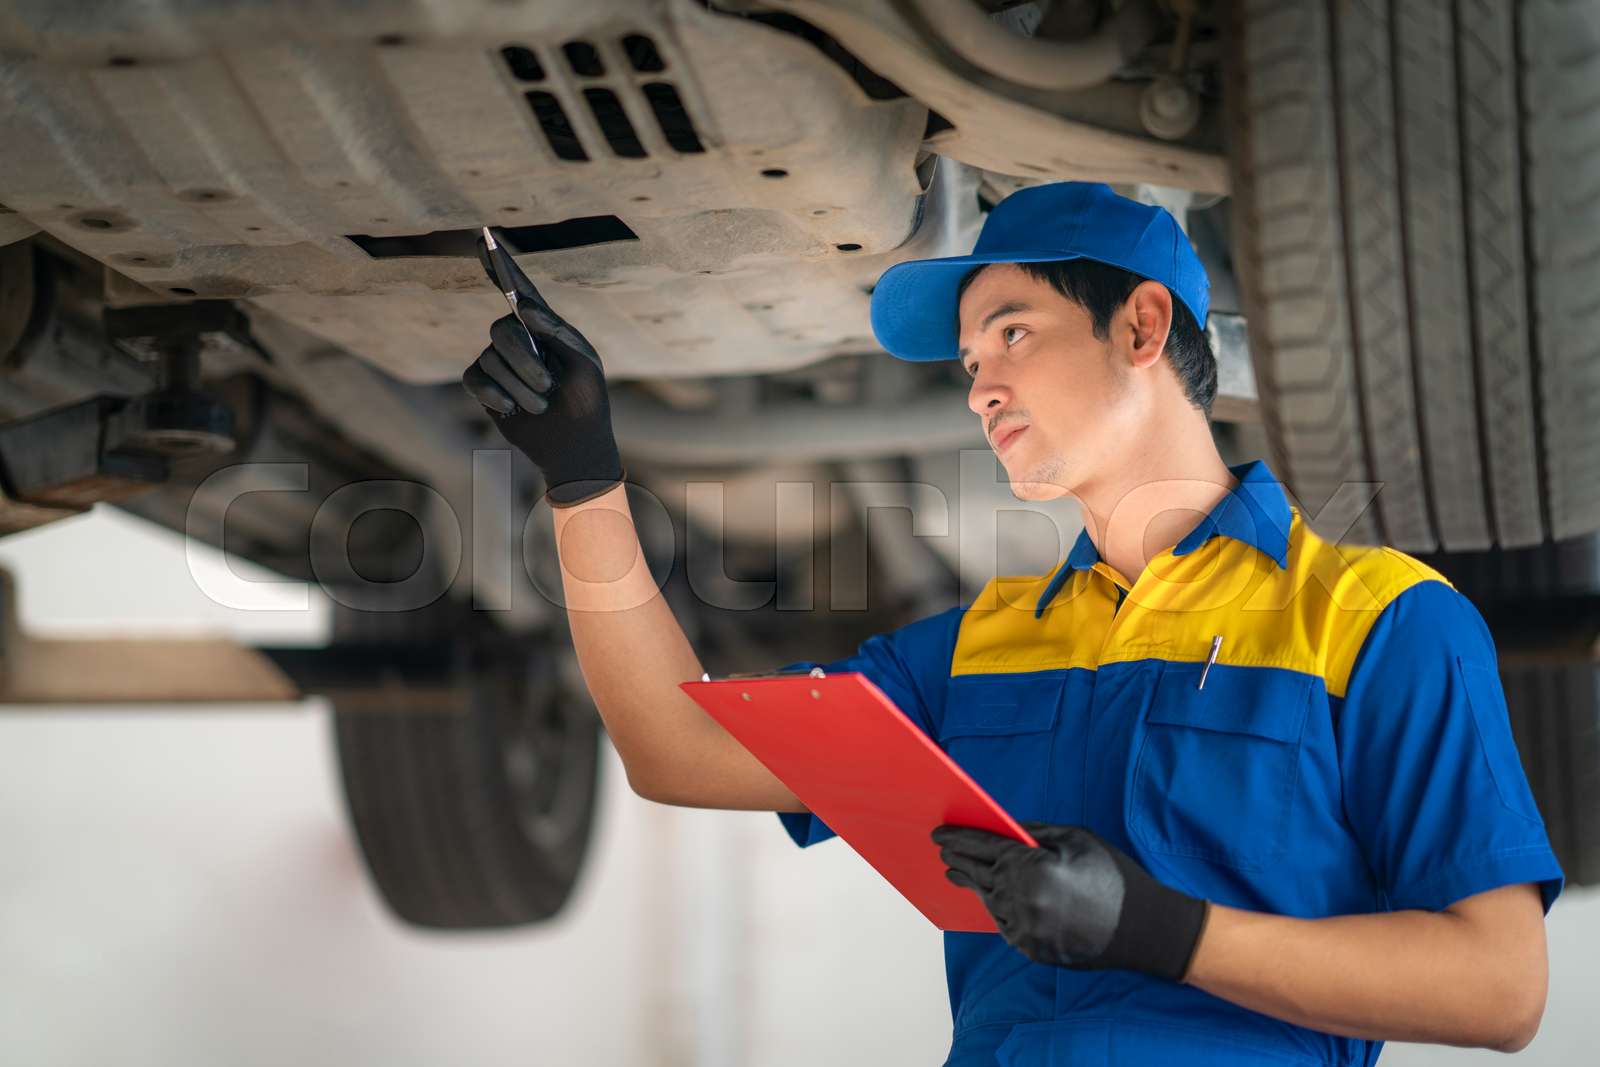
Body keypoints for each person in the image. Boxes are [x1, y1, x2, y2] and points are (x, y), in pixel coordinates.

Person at [461, 181, 1565, 1067]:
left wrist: (1161, 930)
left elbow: (1499, 987)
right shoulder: (976, 648)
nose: (980, 388)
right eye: (970, 363)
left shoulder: (1380, 620)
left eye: (1013, 333)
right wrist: (584, 480)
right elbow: (674, 747)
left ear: (1142, 324)